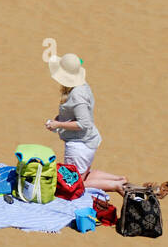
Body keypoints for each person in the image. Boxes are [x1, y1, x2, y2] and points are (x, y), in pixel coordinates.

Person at [45, 51, 128, 194]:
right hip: (87, 141)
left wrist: (58, 125)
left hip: (79, 145)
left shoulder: (77, 95)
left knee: (75, 183)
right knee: (86, 173)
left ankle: (115, 186)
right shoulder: (82, 86)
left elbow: (84, 123)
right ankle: (119, 179)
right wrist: (61, 118)